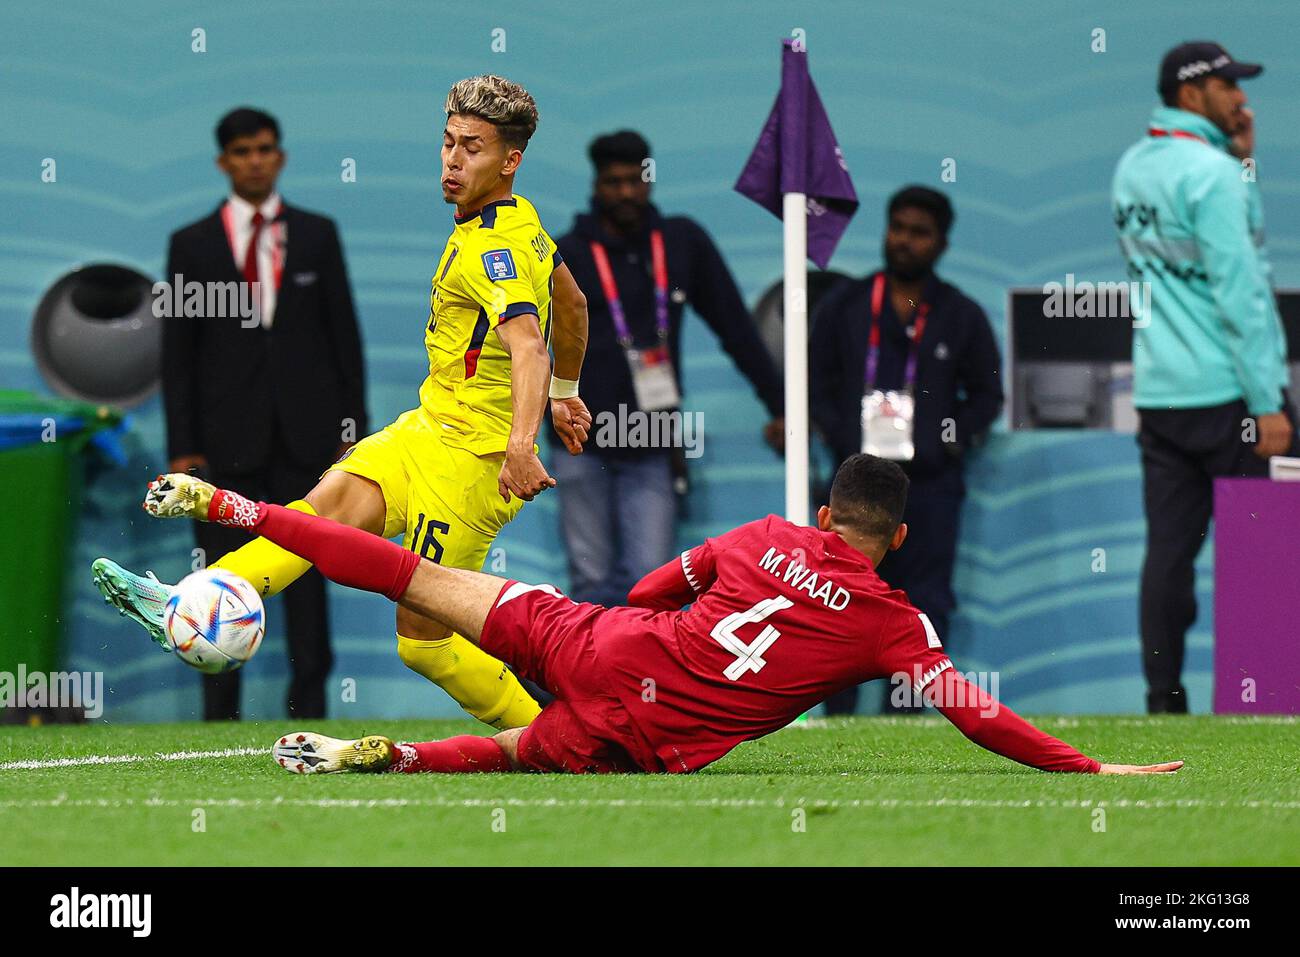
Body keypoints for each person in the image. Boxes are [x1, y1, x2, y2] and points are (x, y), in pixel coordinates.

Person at [93, 75, 593, 731]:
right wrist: (567, 398)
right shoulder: (520, 220)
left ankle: (557, 735)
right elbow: (574, 304)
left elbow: (530, 345)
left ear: (509, 160)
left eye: (472, 147)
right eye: (447, 143)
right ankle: (186, 602)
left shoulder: (494, 246)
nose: (452, 160)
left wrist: (524, 442)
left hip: (471, 468)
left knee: (424, 642)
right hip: (424, 434)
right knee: (317, 517)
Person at [142, 461, 1179, 777]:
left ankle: (233, 507)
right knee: (518, 753)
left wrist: (639, 610)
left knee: (410, 578)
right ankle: (395, 758)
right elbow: (973, 714)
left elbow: (645, 591)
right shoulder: (892, 625)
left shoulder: (762, 533)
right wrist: (1093, 769)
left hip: (599, 637)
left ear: (824, 515)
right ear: (895, 539)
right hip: (647, 726)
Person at [115, 107, 369, 719]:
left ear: (279, 156)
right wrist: (183, 451)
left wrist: (350, 436)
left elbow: (345, 342)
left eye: (264, 149)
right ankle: (217, 718)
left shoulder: (318, 234)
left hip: (310, 447)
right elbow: (179, 355)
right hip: (221, 450)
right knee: (213, 582)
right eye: (242, 151)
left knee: (306, 579)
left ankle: (309, 713)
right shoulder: (191, 244)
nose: (255, 160)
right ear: (223, 162)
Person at [1112, 42, 1300, 713]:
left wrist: (1239, 160)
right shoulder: (1214, 176)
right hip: (1230, 394)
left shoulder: (1132, 167)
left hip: (1161, 392)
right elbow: (1241, 291)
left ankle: (1164, 698)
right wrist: (1268, 399)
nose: (1241, 99)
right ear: (1192, 95)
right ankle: (1265, 692)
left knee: (1168, 553)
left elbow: (1188, 256)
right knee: (1263, 547)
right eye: (1228, 86)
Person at [552, 130, 784, 607]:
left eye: (635, 180)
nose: (625, 193)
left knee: (650, 587)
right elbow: (527, 345)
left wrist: (780, 407)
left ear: (649, 181)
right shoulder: (566, 255)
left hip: (651, 442)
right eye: (613, 182)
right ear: (596, 186)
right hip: (578, 443)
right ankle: (588, 685)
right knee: (590, 585)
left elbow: (735, 328)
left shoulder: (682, 244)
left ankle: (642, 685)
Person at [810, 186, 1002, 715]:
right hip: (852, 484)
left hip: (929, 489)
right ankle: (837, 717)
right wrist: (840, 436)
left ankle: (908, 718)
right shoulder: (846, 305)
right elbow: (814, 384)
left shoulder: (960, 314)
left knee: (923, 603)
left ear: (940, 243)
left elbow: (988, 395)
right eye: (898, 228)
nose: (905, 241)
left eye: (920, 233)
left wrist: (943, 442)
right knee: (838, 600)